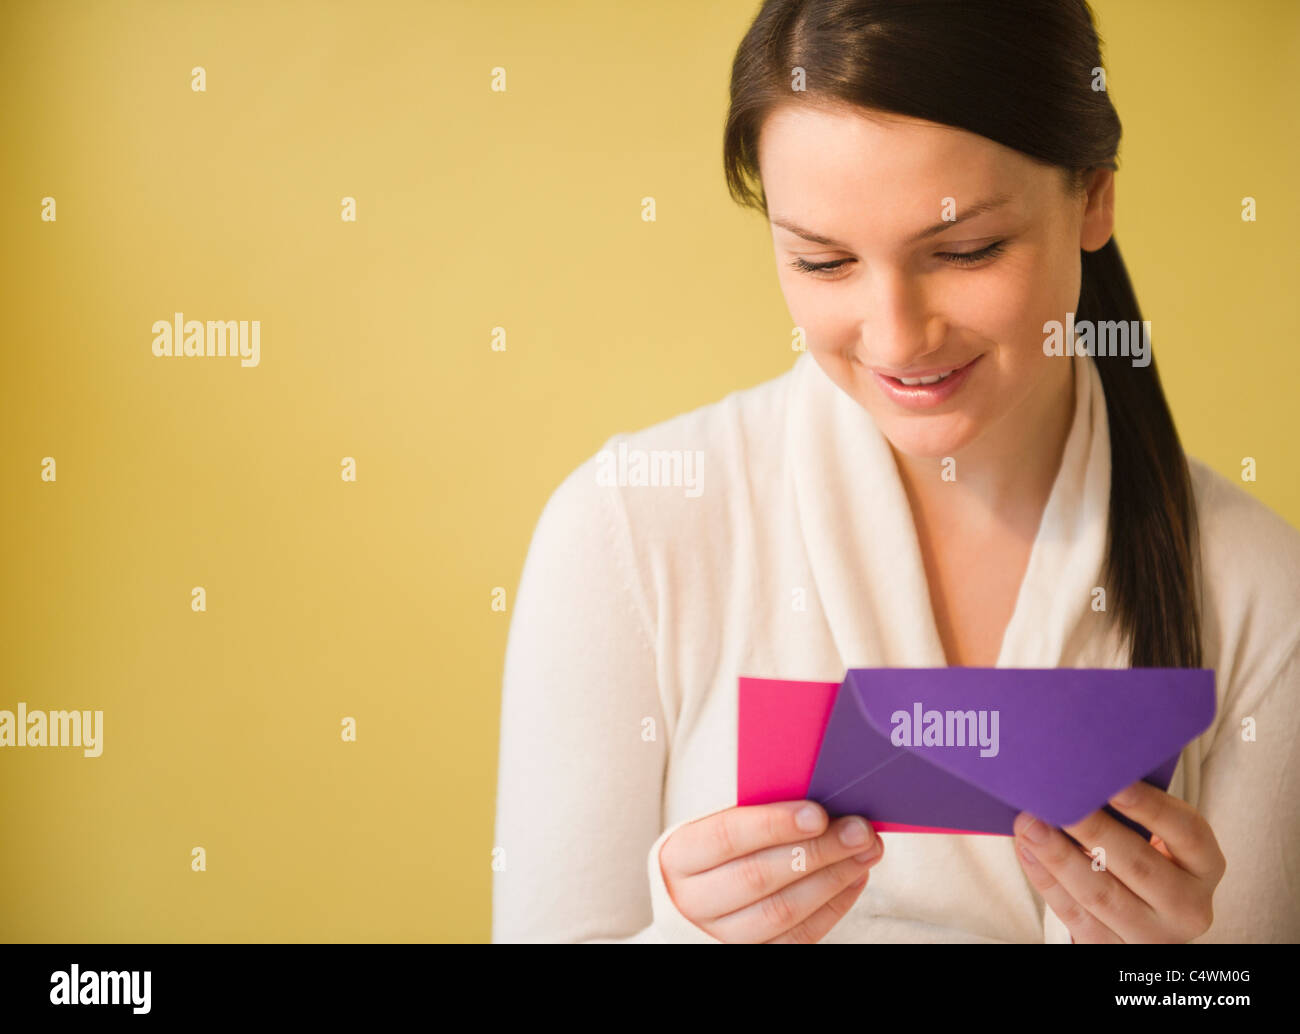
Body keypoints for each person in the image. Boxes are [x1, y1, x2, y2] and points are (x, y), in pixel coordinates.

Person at [491, 0, 1300, 943]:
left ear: (1093, 196)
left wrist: (1181, 984)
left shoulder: (1258, 590)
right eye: (823, 262)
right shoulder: (629, 530)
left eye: (965, 251)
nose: (898, 337)